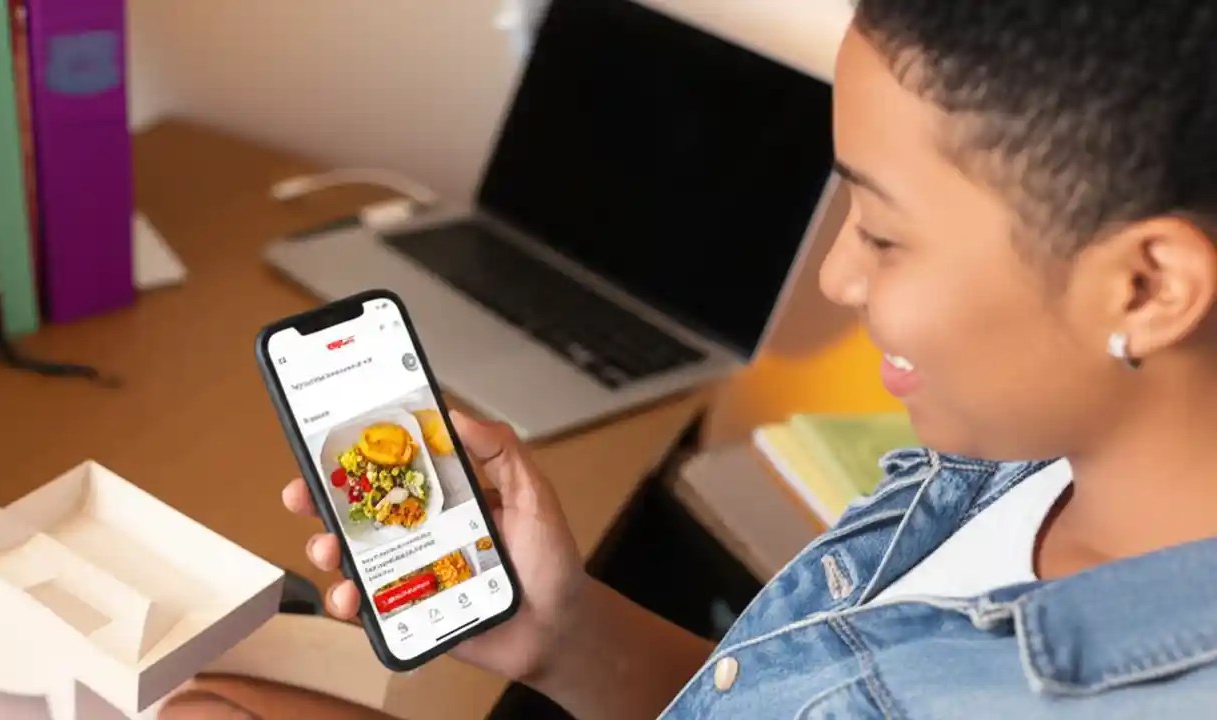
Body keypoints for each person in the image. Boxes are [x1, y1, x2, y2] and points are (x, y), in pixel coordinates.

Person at [272, 2, 1217, 717]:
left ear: (1149, 286)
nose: (840, 275)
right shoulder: (1025, 449)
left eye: (884, 235)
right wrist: (561, 632)